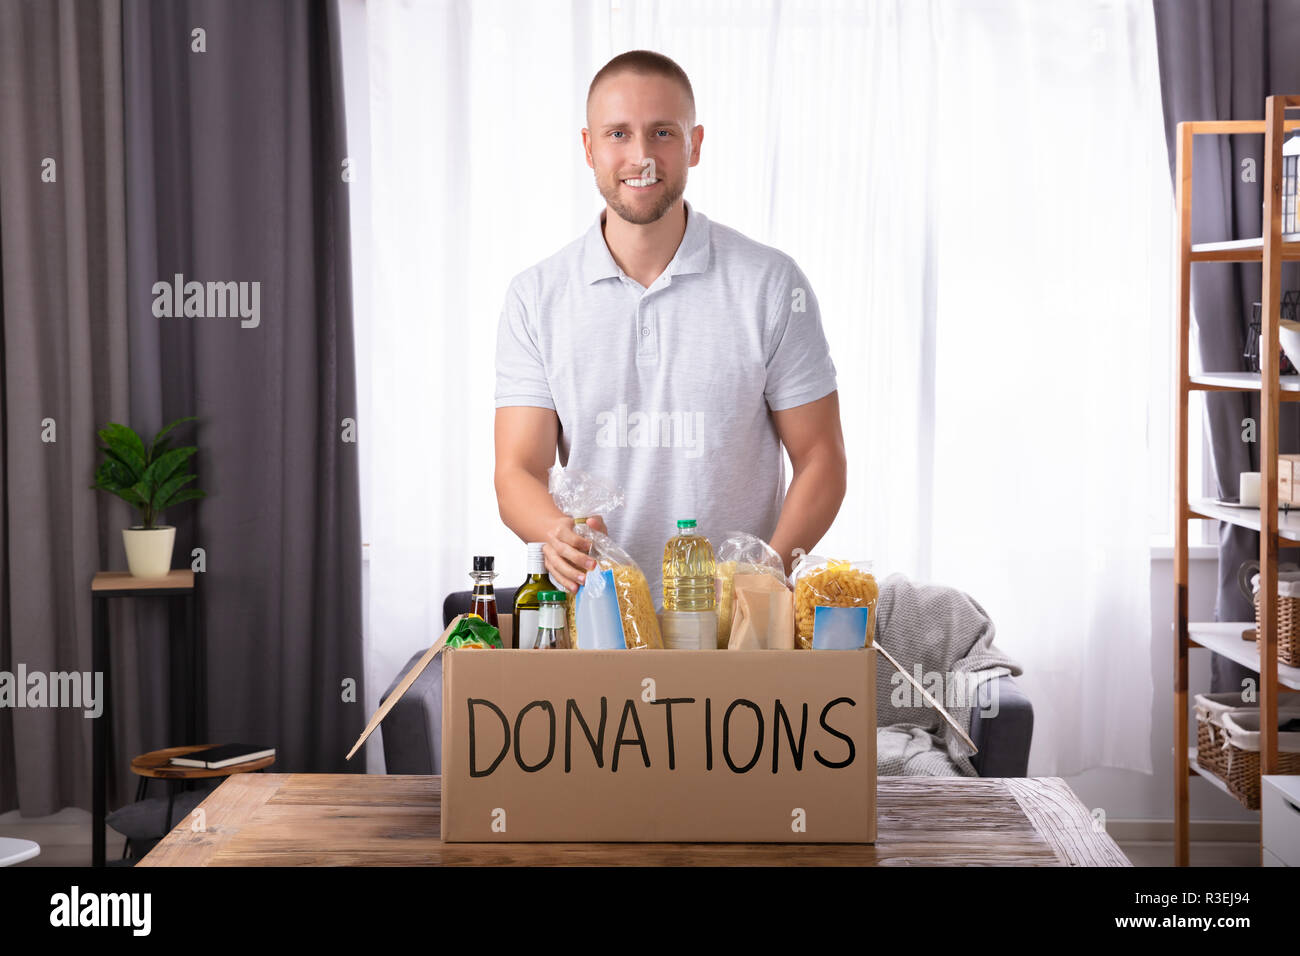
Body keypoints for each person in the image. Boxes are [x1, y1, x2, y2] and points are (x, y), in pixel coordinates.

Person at [494, 49, 846, 606]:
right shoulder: (535, 297)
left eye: (662, 132)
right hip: (598, 613)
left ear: (694, 145)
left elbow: (821, 457)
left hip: (739, 626)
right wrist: (552, 532)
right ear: (588, 147)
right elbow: (517, 470)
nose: (641, 157)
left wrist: (768, 575)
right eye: (618, 134)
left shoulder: (772, 283)